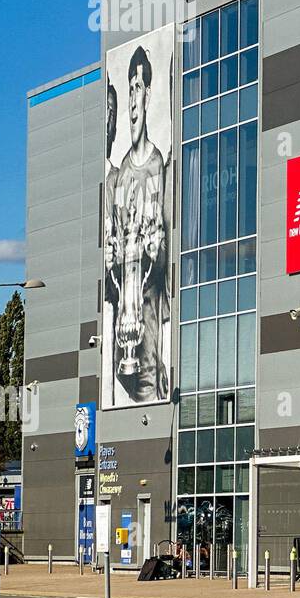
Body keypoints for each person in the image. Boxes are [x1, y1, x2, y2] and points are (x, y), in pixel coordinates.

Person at [104, 46, 170, 402]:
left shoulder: (158, 164)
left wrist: (150, 248)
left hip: (148, 330)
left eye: (138, 88)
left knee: (147, 400)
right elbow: (111, 250)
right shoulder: (119, 175)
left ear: (148, 95)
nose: (132, 101)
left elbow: (161, 255)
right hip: (121, 330)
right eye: (129, 88)